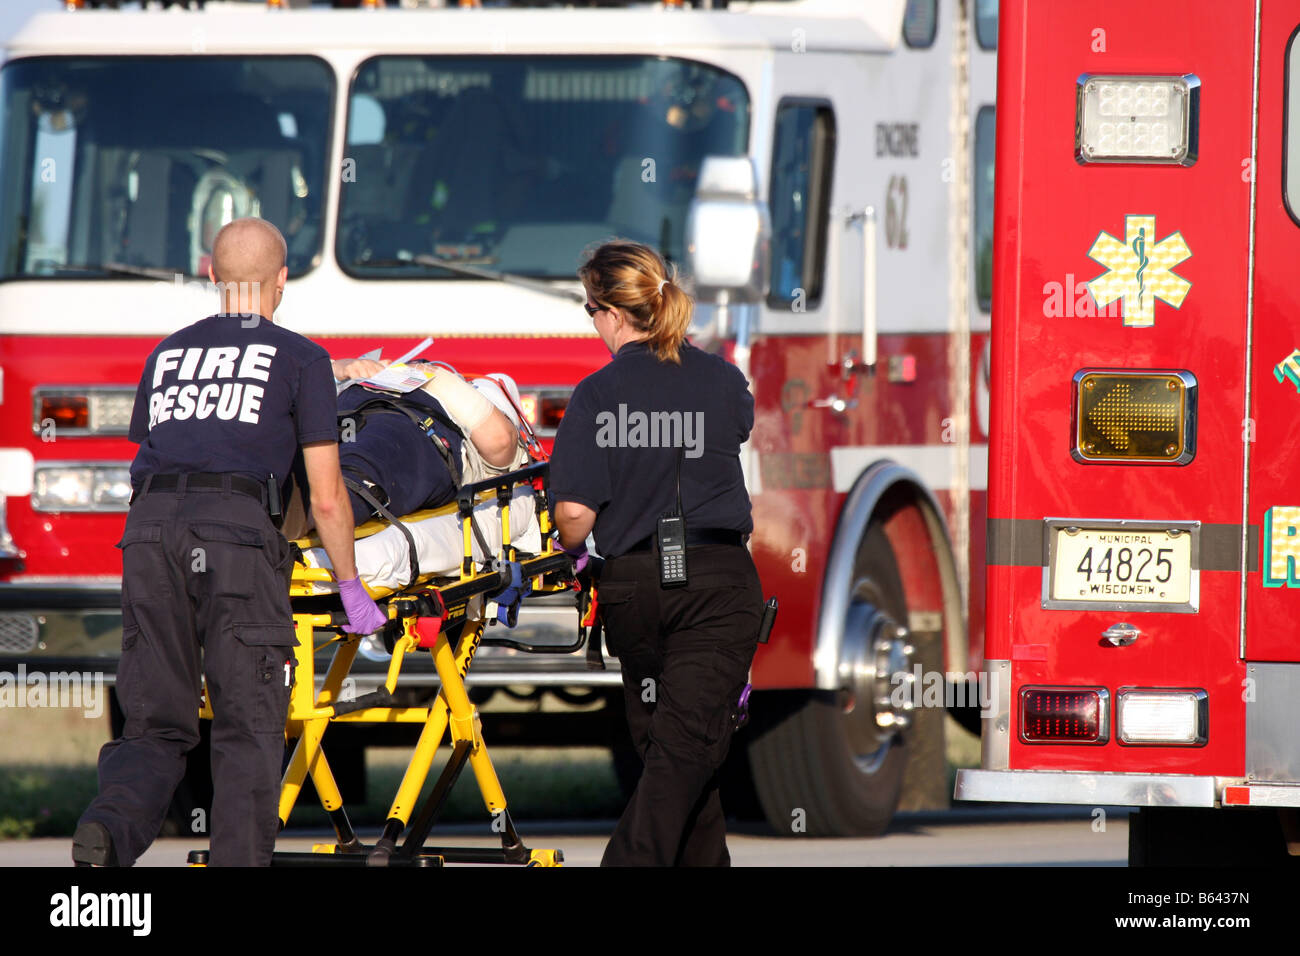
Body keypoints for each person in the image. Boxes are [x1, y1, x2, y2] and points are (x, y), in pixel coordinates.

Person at [72, 218, 387, 867]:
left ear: (211, 275)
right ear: (283, 281)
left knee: (156, 717)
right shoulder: (303, 358)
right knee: (247, 725)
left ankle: (110, 825)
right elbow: (327, 496)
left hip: (150, 532)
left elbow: (166, 448)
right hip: (237, 539)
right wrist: (351, 588)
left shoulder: (167, 353)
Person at [549, 239, 763, 866]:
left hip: (635, 590)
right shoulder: (723, 378)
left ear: (612, 313)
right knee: (683, 755)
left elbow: (573, 516)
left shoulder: (594, 395)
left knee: (674, 754)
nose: (592, 323)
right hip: (720, 584)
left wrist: (573, 547)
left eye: (590, 310)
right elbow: (737, 424)